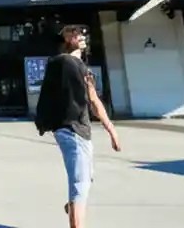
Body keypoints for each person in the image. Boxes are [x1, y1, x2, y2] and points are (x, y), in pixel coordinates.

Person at [35, 26, 122, 228]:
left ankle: (72, 206)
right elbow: (94, 101)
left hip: (71, 130)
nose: (81, 36)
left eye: (82, 34)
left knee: (85, 180)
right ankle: (75, 211)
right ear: (67, 40)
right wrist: (112, 131)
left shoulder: (61, 64)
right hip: (75, 131)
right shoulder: (70, 63)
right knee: (80, 187)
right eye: (75, 35)